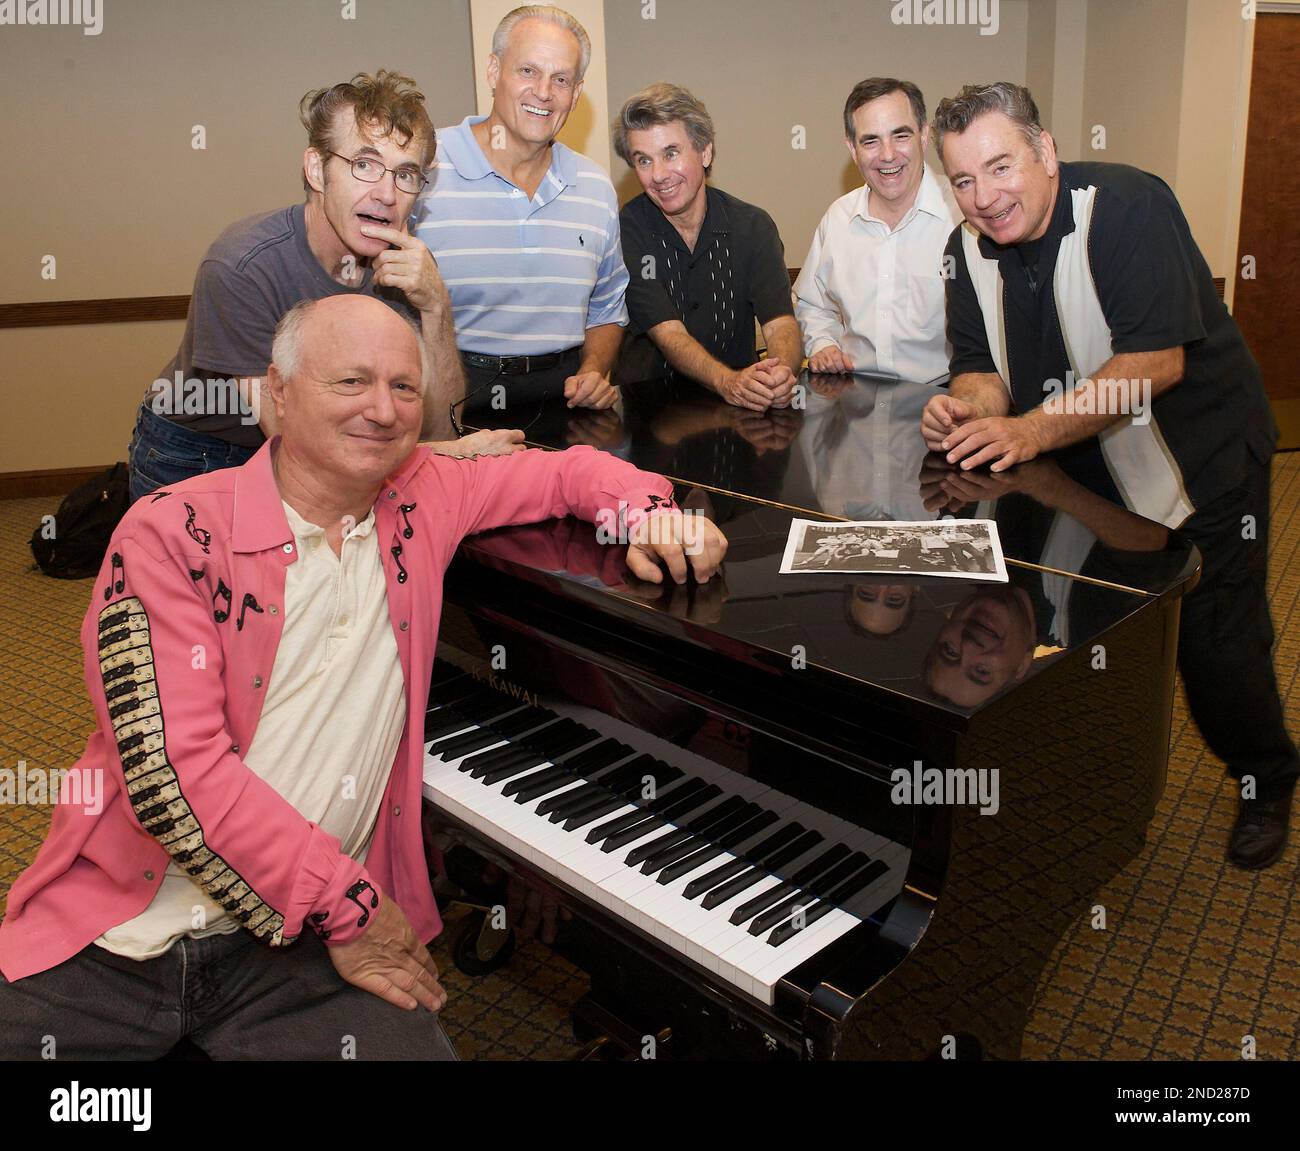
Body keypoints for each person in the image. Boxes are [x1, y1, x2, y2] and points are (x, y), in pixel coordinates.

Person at [0, 294, 726, 1059]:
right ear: (279, 394)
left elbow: (567, 473)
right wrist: (351, 908)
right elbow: (174, 778)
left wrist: (649, 514)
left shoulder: (424, 495)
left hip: (300, 952)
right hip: (122, 932)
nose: (382, 410)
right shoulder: (171, 533)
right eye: (350, 381)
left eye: (403, 386)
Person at [922, 81, 1298, 868]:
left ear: (1046, 151)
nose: (984, 196)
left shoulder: (1127, 208)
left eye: (1000, 167)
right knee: (1090, 632)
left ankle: (1266, 775)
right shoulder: (963, 248)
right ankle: (1100, 790)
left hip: (1198, 464)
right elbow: (979, 366)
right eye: (963, 179)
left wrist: (1026, 429)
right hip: (1081, 476)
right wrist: (969, 409)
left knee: (1216, 645)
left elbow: (1155, 363)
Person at [126, 70, 514, 505]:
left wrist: (436, 307)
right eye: (364, 166)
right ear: (316, 169)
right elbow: (295, 449)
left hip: (334, 451)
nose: (387, 194)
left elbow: (440, 426)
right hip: (197, 451)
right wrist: (445, 456)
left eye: (405, 174)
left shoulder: (408, 267)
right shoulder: (242, 265)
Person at [411, 5, 624, 420]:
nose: (544, 92)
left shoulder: (595, 187)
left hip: (566, 403)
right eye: (528, 71)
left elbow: (608, 305)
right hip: (450, 398)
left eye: (561, 79)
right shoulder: (424, 165)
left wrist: (594, 369)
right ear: (493, 71)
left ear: (576, 93)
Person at [613, 83, 802, 412]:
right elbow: (670, 334)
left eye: (671, 153)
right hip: (653, 413)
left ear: (705, 152)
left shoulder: (753, 226)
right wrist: (728, 382)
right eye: (643, 160)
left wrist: (781, 373)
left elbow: (780, 323)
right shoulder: (628, 230)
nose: (658, 175)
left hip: (742, 411)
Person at [794, 78, 962, 381]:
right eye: (870, 141)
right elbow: (812, 304)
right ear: (852, 149)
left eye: (900, 135)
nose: (887, 155)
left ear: (924, 136)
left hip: (942, 394)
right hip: (852, 393)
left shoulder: (963, 215)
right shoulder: (838, 219)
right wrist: (823, 344)